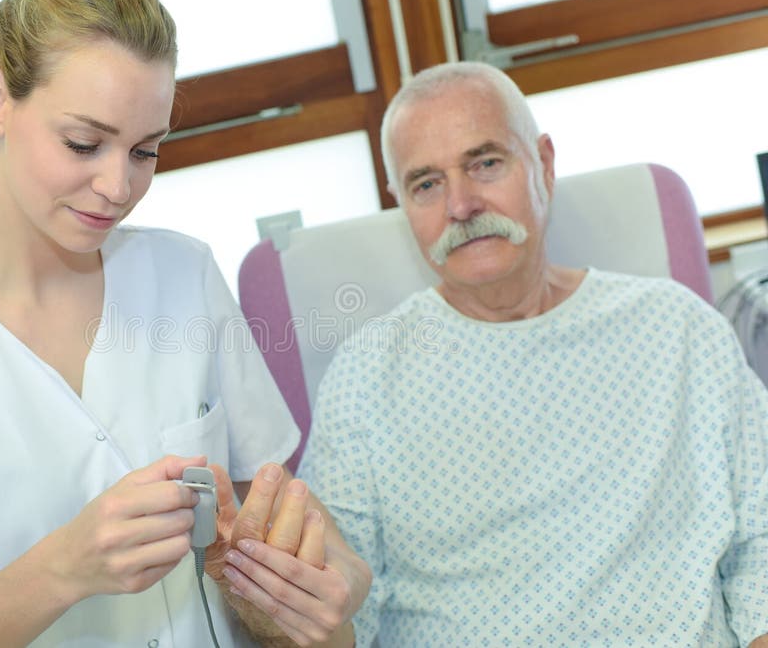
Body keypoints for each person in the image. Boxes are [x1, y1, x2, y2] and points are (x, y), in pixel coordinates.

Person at [0, 0, 369, 646]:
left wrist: (343, 579)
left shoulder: (184, 276)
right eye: (82, 143)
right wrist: (64, 568)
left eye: (144, 151)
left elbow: (278, 501)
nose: (117, 187)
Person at [298, 60, 768, 647]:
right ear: (402, 203)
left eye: (485, 163)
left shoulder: (678, 330)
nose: (461, 205)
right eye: (427, 184)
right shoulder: (367, 378)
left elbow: (763, 538)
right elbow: (336, 604)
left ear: (543, 163)